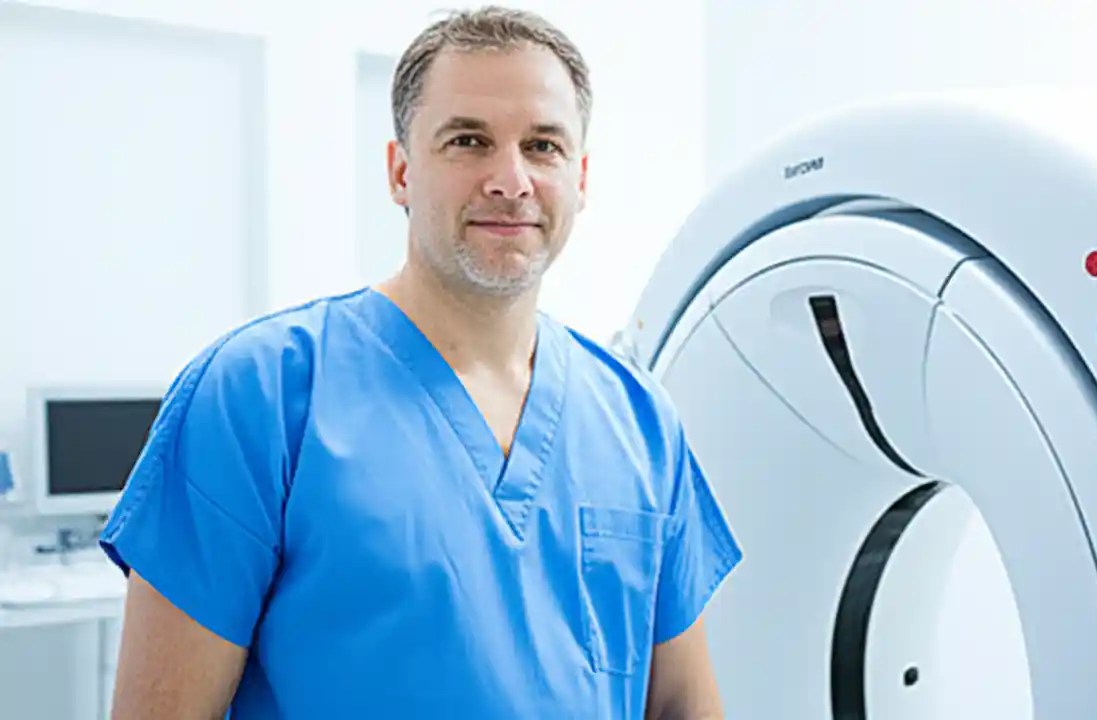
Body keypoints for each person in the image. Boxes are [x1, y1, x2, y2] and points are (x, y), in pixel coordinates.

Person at [98, 5, 743, 719]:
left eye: (543, 146)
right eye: (468, 141)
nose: (511, 179)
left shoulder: (639, 421)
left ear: (580, 177)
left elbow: (684, 705)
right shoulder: (261, 395)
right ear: (401, 170)